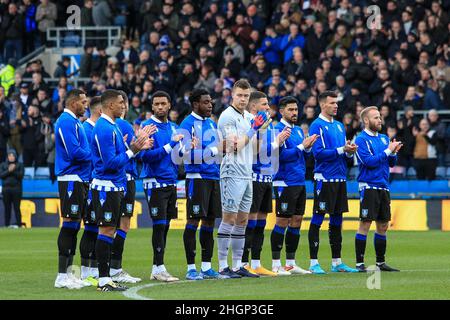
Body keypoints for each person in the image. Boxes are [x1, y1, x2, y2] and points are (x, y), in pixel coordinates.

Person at [91, 89, 153, 291]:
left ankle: (107, 276)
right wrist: (133, 149)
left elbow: (121, 156)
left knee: (110, 230)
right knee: (106, 229)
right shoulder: (104, 128)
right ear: (110, 105)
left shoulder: (113, 126)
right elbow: (110, 163)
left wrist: (135, 147)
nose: (123, 106)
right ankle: (103, 280)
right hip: (106, 186)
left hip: (115, 185)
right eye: (120, 103)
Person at [216, 79, 269, 278]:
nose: (243, 99)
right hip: (232, 171)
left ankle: (237, 265)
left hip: (247, 172)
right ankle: (222, 267)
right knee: (229, 217)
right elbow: (234, 146)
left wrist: (261, 130)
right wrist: (254, 129)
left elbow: (255, 150)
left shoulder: (248, 117)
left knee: (243, 220)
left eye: (246, 96)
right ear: (232, 95)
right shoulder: (227, 117)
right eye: (239, 95)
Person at [308, 91, 359, 274]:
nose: (336, 106)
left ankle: (336, 262)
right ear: (323, 105)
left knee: (337, 219)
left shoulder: (339, 126)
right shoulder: (317, 126)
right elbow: (318, 153)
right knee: (318, 218)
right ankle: (313, 262)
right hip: (324, 179)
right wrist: (341, 150)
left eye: (336, 103)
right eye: (332, 103)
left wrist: (348, 152)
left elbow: (341, 154)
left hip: (340, 178)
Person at [241, 91, 290, 276]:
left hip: (267, 179)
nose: (268, 108)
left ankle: (256, 263)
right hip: (253, 178)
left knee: (261, 222)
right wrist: (276, 143)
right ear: (253, 107)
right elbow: (254, 153)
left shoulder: (268, 126)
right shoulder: (250, 125)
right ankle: (243, 263)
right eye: (264, 105)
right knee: (250, 222)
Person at [271, 96, 318, 275]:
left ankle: (290, 263)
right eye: (290, 110)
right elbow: (279, 156)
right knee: (282, 220)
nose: (294, 113)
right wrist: (301, 147)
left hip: (299, 180)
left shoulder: (298, 130)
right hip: (284, 181)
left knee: (297, 221)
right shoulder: (277, 130)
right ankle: (276, 263)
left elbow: (302, 157)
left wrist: (307, 149)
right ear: (282, 111)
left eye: (296, 110)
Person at [178, 88, 222, 280]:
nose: (210, 105)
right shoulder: (187, 125)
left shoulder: (212, 124)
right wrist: (213, 150)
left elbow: (218, 152)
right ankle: (190, 268)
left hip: (213, 177)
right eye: (206, 102)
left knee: (210, 221)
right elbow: (186, 156)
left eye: (211, 101)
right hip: (197, 178)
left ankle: (206, 266)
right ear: (195, 104)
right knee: (193, 221)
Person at [140, 91, 183, 282]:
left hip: (170, 180)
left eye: (163, 104)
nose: (160, 107)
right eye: (156, 104)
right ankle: (158, 268)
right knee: (159, 225)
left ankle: (157, 267)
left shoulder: (174, 127)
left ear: (169, 105)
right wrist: (170, 146)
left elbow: (176, 157)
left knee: (165, 225)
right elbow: (143, 156)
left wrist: (184, 149)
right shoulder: (147, 127)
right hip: (155, 181)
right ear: (152, 107)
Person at [354, 106, 402, 272]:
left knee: (383, 225)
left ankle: (380, 263)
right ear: (366, 121)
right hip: (368, 186)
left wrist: (393, 153)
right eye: (375, 118)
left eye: (380, 117)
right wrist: (388, 150)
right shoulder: (360, 140)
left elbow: (391, 163)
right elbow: (369, 162)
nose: (379, 120)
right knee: (365, 223)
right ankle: (360, 263)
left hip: (383, 186)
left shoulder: (383, 138)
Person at [54, 89, 92, 289]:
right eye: (83, 102)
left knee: (75, 225)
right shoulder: (65, 122)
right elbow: (74, 152)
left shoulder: (76, 122)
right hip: (70, 178)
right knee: (69, 223)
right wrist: (93, 155)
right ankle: (61, 276)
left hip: (79, 178)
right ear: (73, 102)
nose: (85, 105)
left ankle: (68, 274)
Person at [110, 91, 146, 283]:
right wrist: (142, 143)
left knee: (109, 225)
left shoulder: (109, 124)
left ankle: (105, 267)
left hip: (114, 178)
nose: (123, 105)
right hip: (127, 177)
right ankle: (115, 267)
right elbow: (137, 153)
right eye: (121, 102)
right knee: (123, 224)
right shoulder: (123, 125)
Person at [79, 96, 102, 286]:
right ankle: (85, 270)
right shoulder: (86, 130)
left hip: (99, 184)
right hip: (89, 183)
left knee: (97, 226)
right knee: (90, 227)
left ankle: (94, 269)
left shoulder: (96, 129)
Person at [0, 149, 24, 228]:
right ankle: (7, 225)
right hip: (6, 189)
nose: (11, 157)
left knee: (17, 208)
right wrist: (9, 170)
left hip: (16, 189)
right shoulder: (3, 165)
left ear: (15, 156)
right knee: (7, 208)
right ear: (7, 157)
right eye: (9, 155)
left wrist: (13, 171)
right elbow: (2, 175)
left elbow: (21, 176)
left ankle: (19, 224)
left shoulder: (20, 165)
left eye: (13, 155)